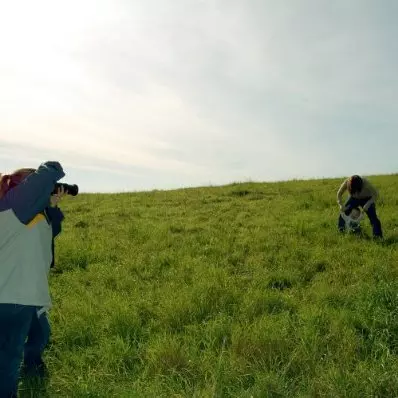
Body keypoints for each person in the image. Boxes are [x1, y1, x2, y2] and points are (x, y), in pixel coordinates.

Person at [0, 161, 66, 397]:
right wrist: (51, 168)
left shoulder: (27, 214)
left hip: (27, 292)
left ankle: (33, 366)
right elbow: (39, 181)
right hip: (11, 295)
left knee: (39, 333)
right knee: (8, 360)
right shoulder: (13, 207)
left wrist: (53, 206)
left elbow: (48, 234)